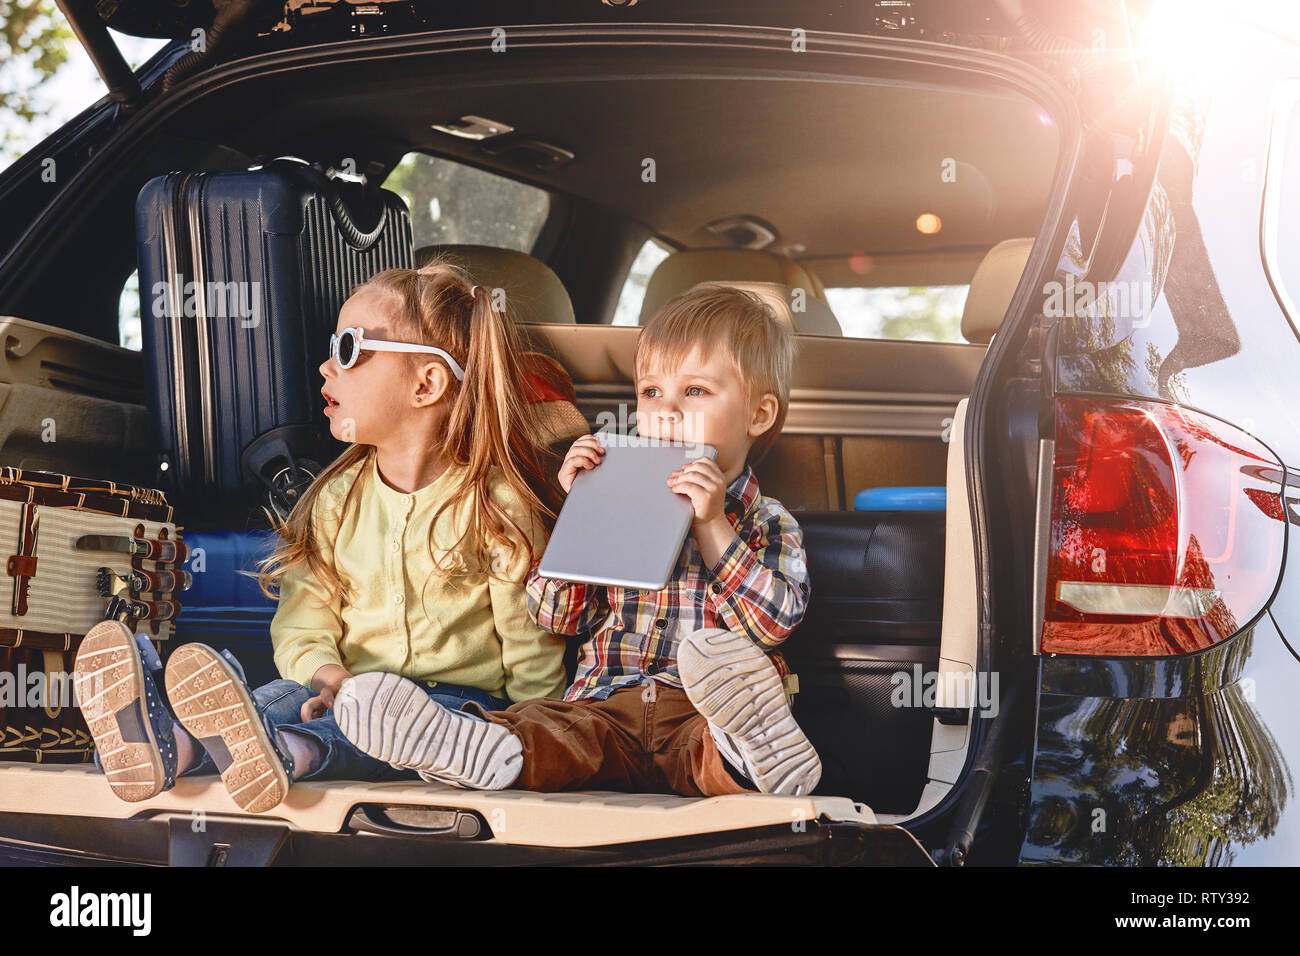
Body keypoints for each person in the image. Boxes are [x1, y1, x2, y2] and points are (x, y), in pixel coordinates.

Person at [73, 262, 567, 813]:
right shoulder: (333, 500)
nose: (326, 365)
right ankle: (177, 745)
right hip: (337, 690)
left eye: (351, 349)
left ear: (426, 383)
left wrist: (533, 733)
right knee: (278, 697)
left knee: (378, 732)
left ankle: (289, 753)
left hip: (453, 711)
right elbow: (303, 624)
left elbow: (531, 641)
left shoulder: (495, 505)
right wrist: (332, 679)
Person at [335, 284, 821, 797]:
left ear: (759, 415)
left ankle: (752, 752)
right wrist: (581, 514)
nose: (666, 412)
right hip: (603, 709)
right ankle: (481, 747)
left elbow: (771, 625)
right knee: (550, 733)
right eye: (651, 392)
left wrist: (712, 524)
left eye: (695, 391)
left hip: (699, 716)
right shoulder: (620, 503)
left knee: (712, 755)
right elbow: (557, 617)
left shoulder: (768, 522)